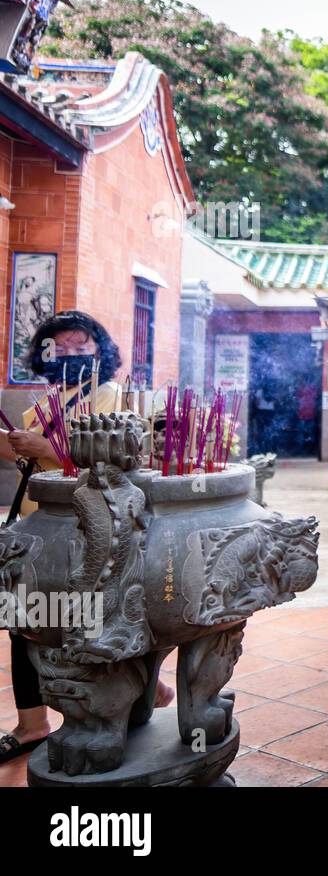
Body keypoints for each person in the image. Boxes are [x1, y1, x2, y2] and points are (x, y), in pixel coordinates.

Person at [0, 310, 174, 764]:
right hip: (41, 521)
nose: (72, 354)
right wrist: (16, 445)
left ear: (101, 350)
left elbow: (113, 463)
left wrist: (48, 453)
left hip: (87, 527)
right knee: (28, 619)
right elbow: (28, 460)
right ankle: (34, 722)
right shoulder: (51, 398)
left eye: (82, 346)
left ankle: (128, 696)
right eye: (62, 346)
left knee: (72, 619)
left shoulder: (107, 395)